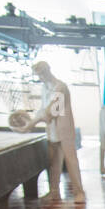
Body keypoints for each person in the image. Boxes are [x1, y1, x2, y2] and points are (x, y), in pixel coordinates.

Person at [29, 60, 86, 201]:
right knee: (54, 161)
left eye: (41, 74)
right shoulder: (45, 88)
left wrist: (31, 124)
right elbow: (43, 109)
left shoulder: (60, 87)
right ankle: (54, 191)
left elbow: (53, 111)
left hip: (64, 129)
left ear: (47, 71)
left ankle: (79, 192)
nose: (40, 78)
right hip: (52, 130)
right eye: (38, 75)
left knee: (70, 160)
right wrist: (34, 120)